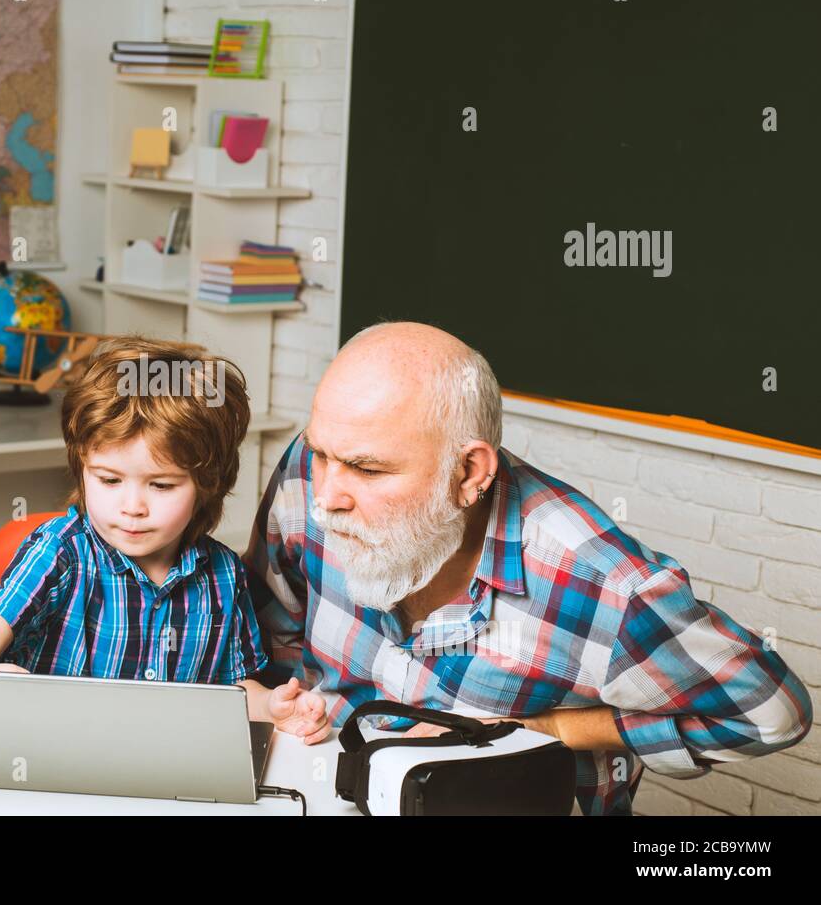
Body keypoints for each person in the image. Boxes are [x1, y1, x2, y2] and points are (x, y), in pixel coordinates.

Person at [243, 320, 813, 814]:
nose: (326, 495)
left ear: (469, 474)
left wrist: (561, 729)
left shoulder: (603, 585)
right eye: (322, 453)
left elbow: (770, 713)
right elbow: (272, 627)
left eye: (368, 470)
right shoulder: (310, 469)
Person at [0, 336, 330, 744]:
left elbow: (231, 692)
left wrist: (273, 707)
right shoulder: (61, 552)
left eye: (160, 485)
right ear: (82, 469)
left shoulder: (224, 577)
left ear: (207, 485)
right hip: (48, 757)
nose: (132, 506)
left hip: (162, 768)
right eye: (108, 480)